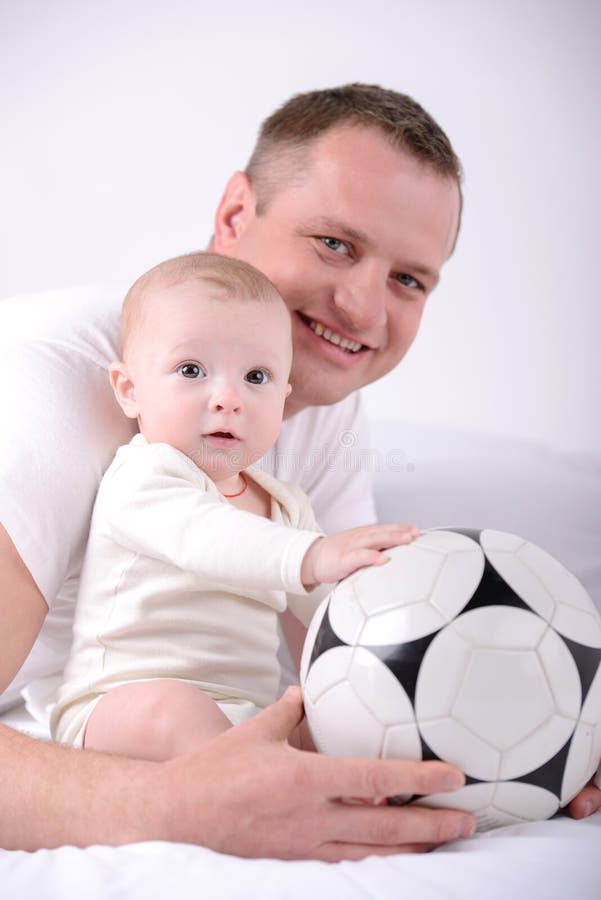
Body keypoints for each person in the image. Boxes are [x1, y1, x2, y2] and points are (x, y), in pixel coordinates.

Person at [1, 83, 598, 857]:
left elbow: (344, 648)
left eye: (407, 280)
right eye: (334, 244)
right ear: (233, 218)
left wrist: (531, 735)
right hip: (105, 703)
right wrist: (171, 805)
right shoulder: (51, 391)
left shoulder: (323, 410)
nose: (361, 309)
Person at [50, 251, 420, 759]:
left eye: (256, 377)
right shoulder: (145, 476)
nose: (228, 397)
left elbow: (331, 613)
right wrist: (313, 557)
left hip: (245, 714)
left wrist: (397, 608)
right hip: (118, 707)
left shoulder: (286, 507)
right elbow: (208, 538)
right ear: (130, 391)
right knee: (174, 709)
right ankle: (263, 783)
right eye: (191, 369)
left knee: (335, 723)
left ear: (283, 397)